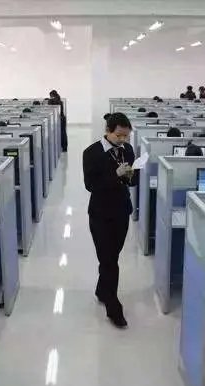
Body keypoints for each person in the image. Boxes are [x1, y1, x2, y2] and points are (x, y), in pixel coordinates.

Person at [83, 113, 138, 328]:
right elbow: (91, 185)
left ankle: (101, 289)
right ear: (108, 130)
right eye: (119, 135)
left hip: (122, 210)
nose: (123, 140)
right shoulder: (92, 153)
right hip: (100, 213)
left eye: (126, 136)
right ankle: (114, 308)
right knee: (109, 261)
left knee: (111, 256)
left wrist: (130, 176)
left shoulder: (128, 150)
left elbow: (132, 182)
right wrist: (115, 174)